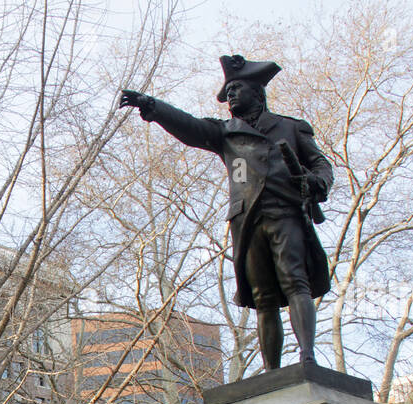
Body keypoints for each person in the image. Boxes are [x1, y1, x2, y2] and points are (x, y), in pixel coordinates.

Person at [120, 55, 333, 370]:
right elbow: (189, 126)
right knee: (263, 297)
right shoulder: (225, 132)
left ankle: (307, 358)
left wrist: (314, 183)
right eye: (228, 90)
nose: (230, 95)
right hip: (247, 221)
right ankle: (272, 374)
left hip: (285, 211)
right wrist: (152, 106)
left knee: (295, 281)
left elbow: (321, 165)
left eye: (236, 88)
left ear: (256, 93)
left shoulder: (291, 128)